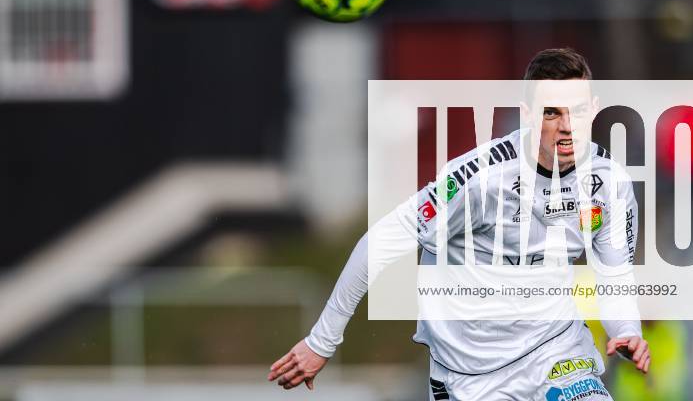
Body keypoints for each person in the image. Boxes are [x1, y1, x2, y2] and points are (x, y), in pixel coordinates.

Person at [268, 48, 650, 400]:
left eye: (578, 111)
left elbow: (615, 275)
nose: (567, 126)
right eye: (552, 112)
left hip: (558, 352)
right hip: (471, 377)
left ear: (596, 109)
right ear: (529, 114)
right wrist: (322, 340)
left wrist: (625, 331)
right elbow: (380, 243)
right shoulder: (480, 179)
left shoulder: (609, 184)